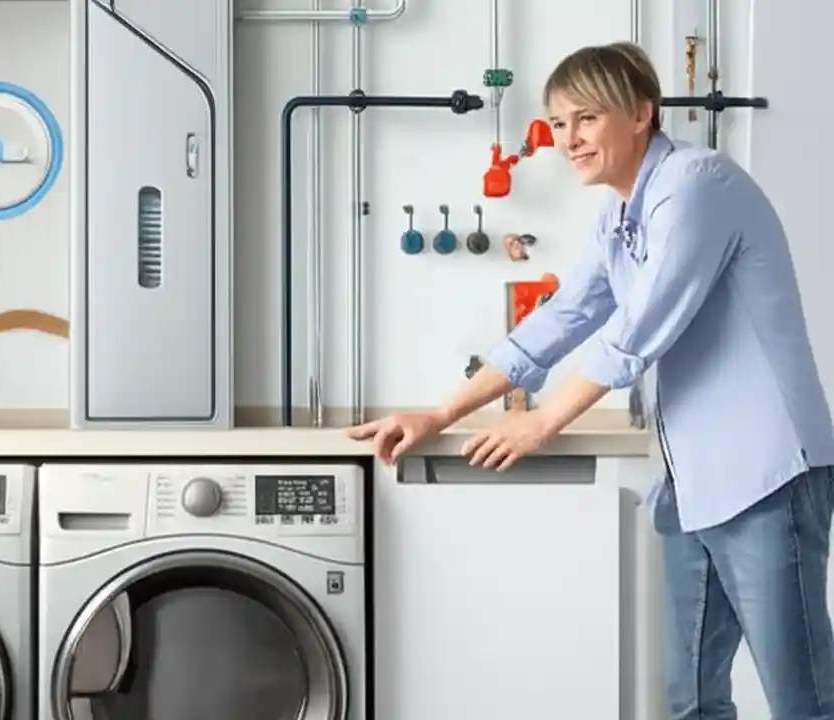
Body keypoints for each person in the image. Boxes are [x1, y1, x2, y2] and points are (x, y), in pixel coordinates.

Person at [348, 41, 834, 719]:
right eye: (559, 122)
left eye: (586, 119)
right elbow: (564, 317)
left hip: (766, 477)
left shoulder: (699, 186)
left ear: (641, 114)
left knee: (802, 700)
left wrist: (544, 420)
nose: (568, 139)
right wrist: (440, 413)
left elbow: (635, 332)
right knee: (689, 698)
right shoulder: (619, 213)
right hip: (692, 485)